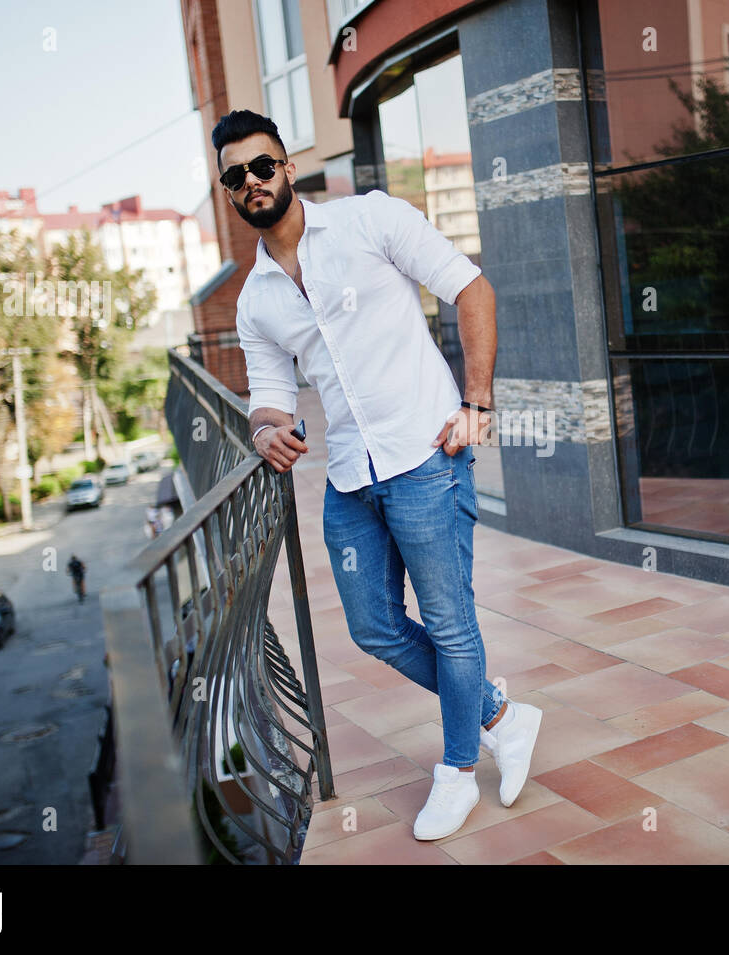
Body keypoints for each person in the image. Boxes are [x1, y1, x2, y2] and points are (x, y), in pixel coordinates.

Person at [217, 109, 542, 841]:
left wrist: (477, 402)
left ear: (288, 168)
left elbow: (473, 290)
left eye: (262, 166)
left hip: (427, 455)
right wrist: (267, 430)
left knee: (453, 624)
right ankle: (501, 716)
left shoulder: (370, 221)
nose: (252, 182)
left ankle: (458, 771)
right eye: (235, 176)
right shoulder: (256, 301)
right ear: (229, 192)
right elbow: (265, 399)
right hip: (352, 478)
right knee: (373, 627)